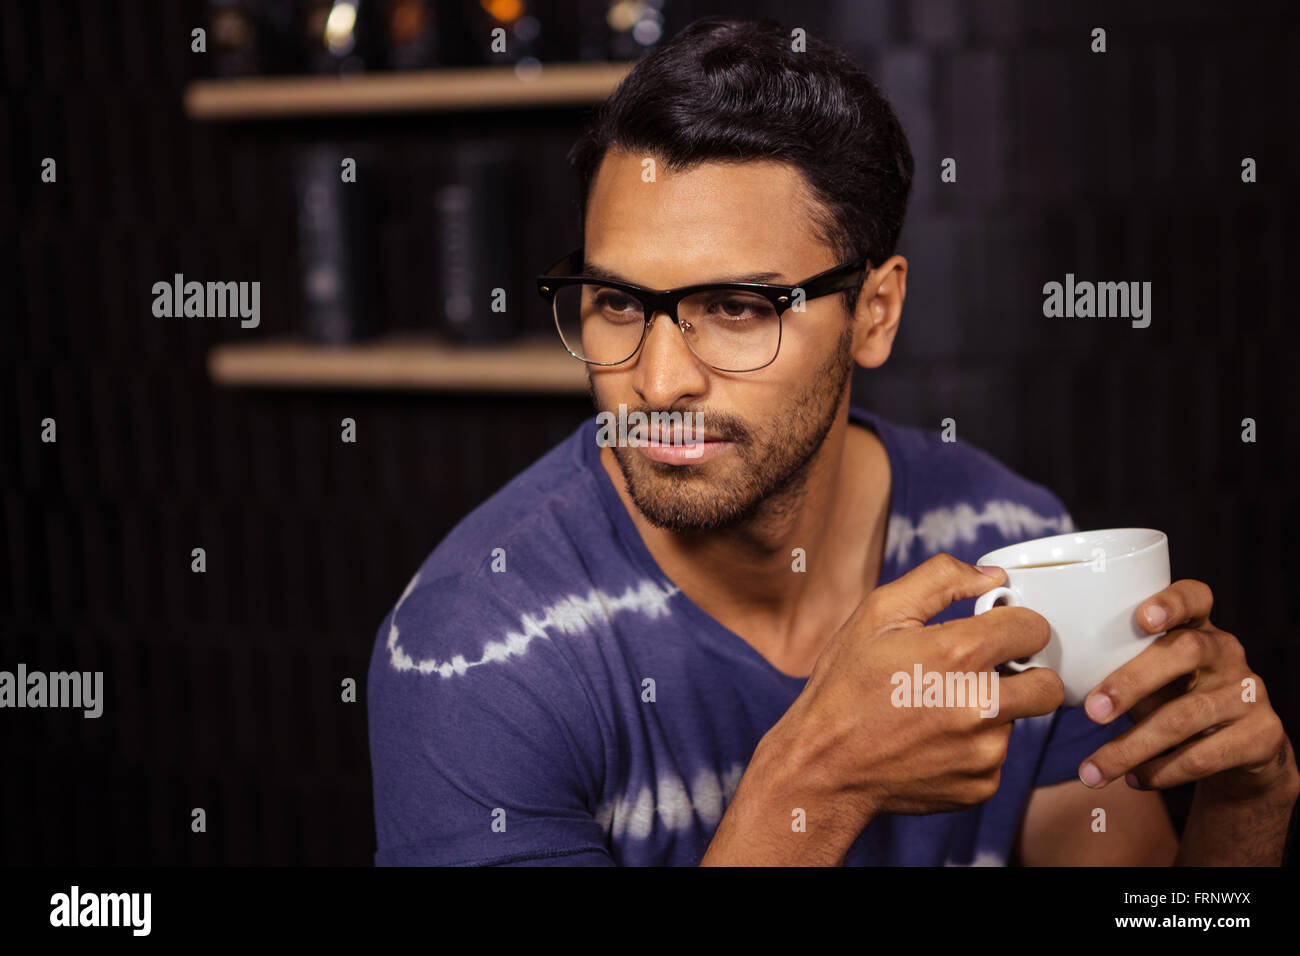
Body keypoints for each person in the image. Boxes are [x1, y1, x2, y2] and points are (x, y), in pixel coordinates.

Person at [367, 17, 1297, 866]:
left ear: (875, 313)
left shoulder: (1011, 544)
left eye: (735, 308)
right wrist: (818, 783)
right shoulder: (476, 650)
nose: (656, 384)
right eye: (618, 303)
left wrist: (1245, 815)